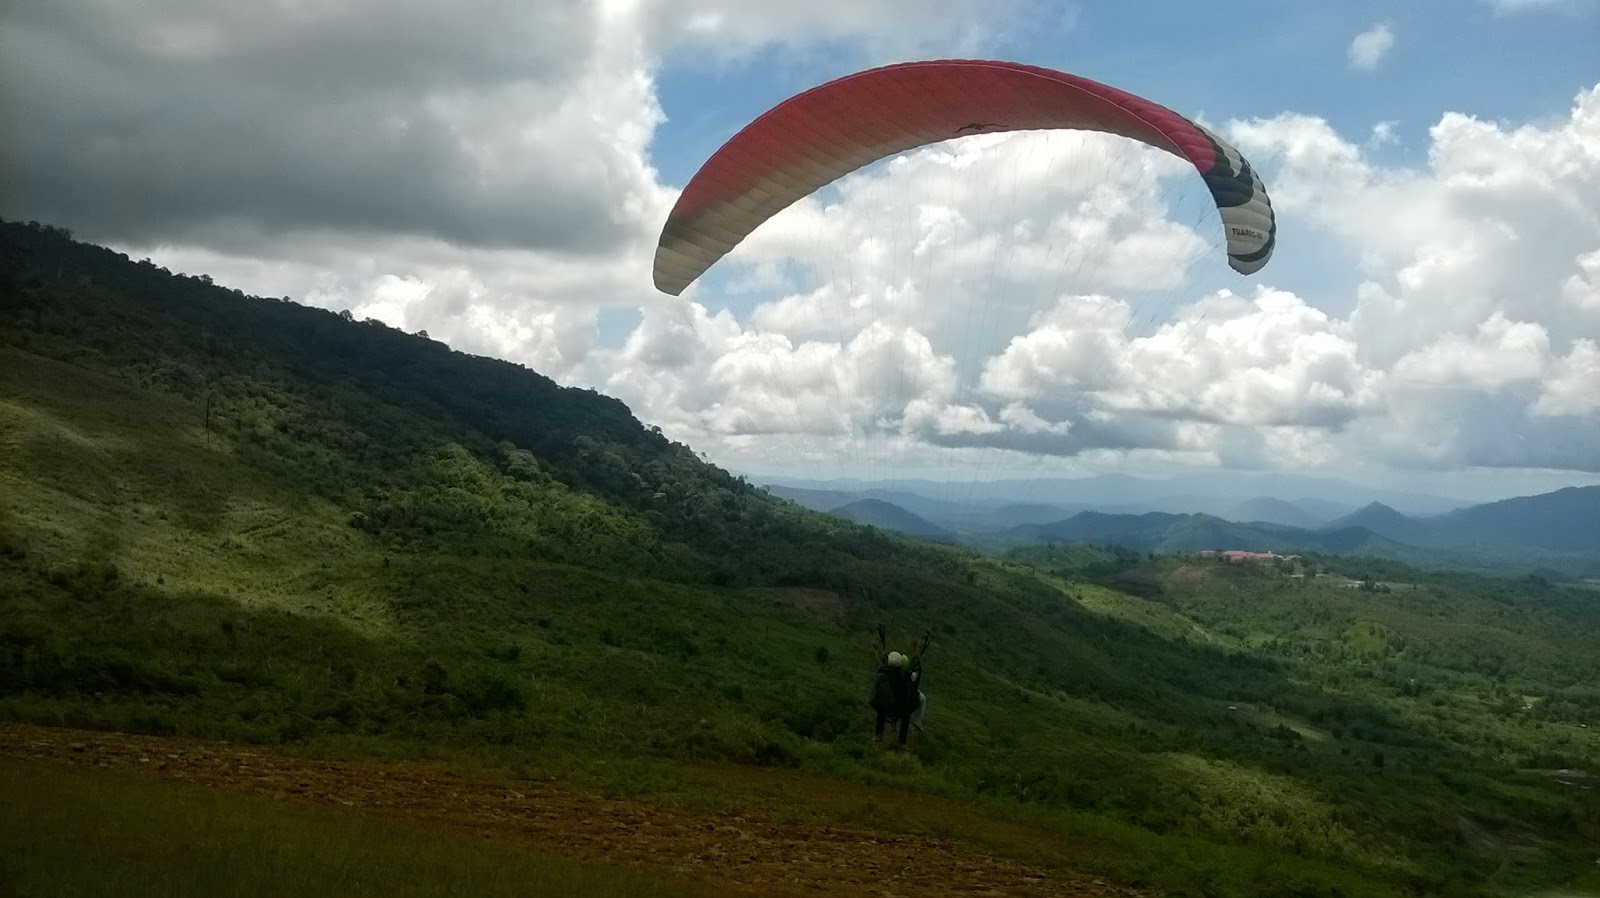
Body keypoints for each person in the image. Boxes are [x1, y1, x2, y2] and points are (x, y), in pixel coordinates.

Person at [867, 625, 931, 746]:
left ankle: (878, 734)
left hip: (886, 706)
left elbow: (880, 655)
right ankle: (902, 741)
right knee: (905, 717)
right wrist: (922, 640)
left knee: (881, 712)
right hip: (899, 706)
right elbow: (916, 656)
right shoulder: (903, 671)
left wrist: (875, 640)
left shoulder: (885, 668)